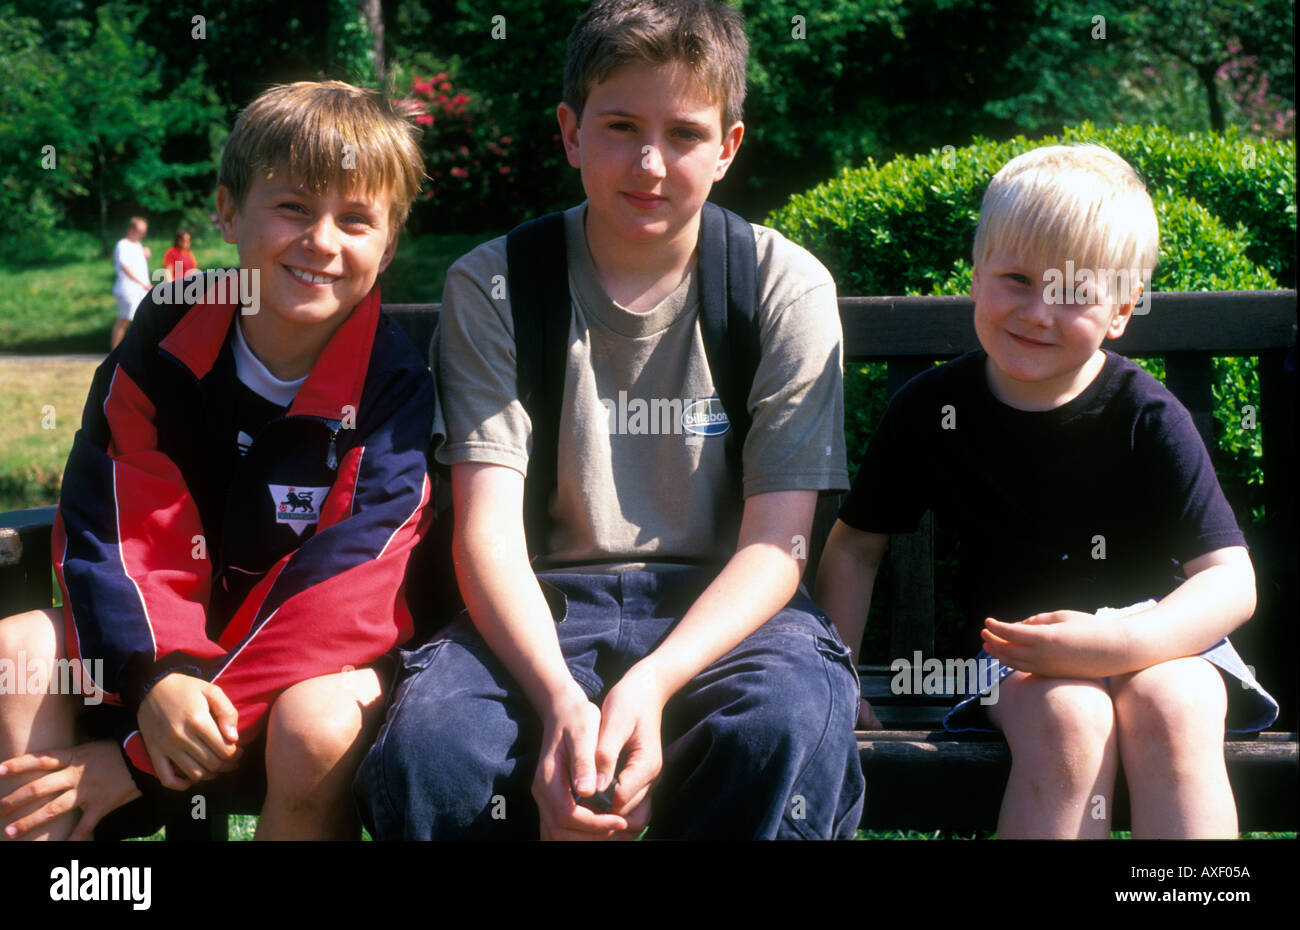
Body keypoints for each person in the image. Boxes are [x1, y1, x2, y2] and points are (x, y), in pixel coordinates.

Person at [354, 0, 864, 841]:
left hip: (730, 608)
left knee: (780, 725)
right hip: (541, 604)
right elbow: (486, 535)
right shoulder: (495, 288)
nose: (650, 163)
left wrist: (653, 685)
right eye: (621, 126)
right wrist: (560, 696)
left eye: (687, 134)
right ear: (570, 132)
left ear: (729, 147)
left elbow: (780, 546)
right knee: (433, 752)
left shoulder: (784, 287)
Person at [0, 80, 436, 841]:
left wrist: (137, 756)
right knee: (21, 652)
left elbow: (348, 594)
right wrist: (156, 675)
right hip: (155, 664)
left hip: (300, 676)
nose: (323, 242)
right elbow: (119, 521)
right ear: (229, 212)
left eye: (357, 219)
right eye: (294, 208)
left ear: (389, 245)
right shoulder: (165, 338)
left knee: (317, 726)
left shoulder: (392, 386)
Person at [815, 143, 1278, 838]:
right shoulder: (932, 409)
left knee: (1175, 704)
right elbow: (855, 550)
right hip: (1023, 652)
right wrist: (837, 680)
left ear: (1121, 311)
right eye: (1018, 279)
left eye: (1073, 293)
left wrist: (1121, 642)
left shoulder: (1145, 414)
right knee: (1070, 717)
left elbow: (1230, 582)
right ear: (975, 276)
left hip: (1159, 638)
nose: (1038, 312)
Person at [110, 217, 150, 349]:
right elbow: (125, 267)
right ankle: (114, 353)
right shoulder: (122, 245)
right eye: (140, 231)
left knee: (141, 321)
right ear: (131, 229)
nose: (142, 234)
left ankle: (135, 352)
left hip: (140, 290)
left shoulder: (138, 245)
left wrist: (146, 256)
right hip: (127, 289)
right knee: (124, 320)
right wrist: (142, 283)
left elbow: (138, 267)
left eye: (144, 232)